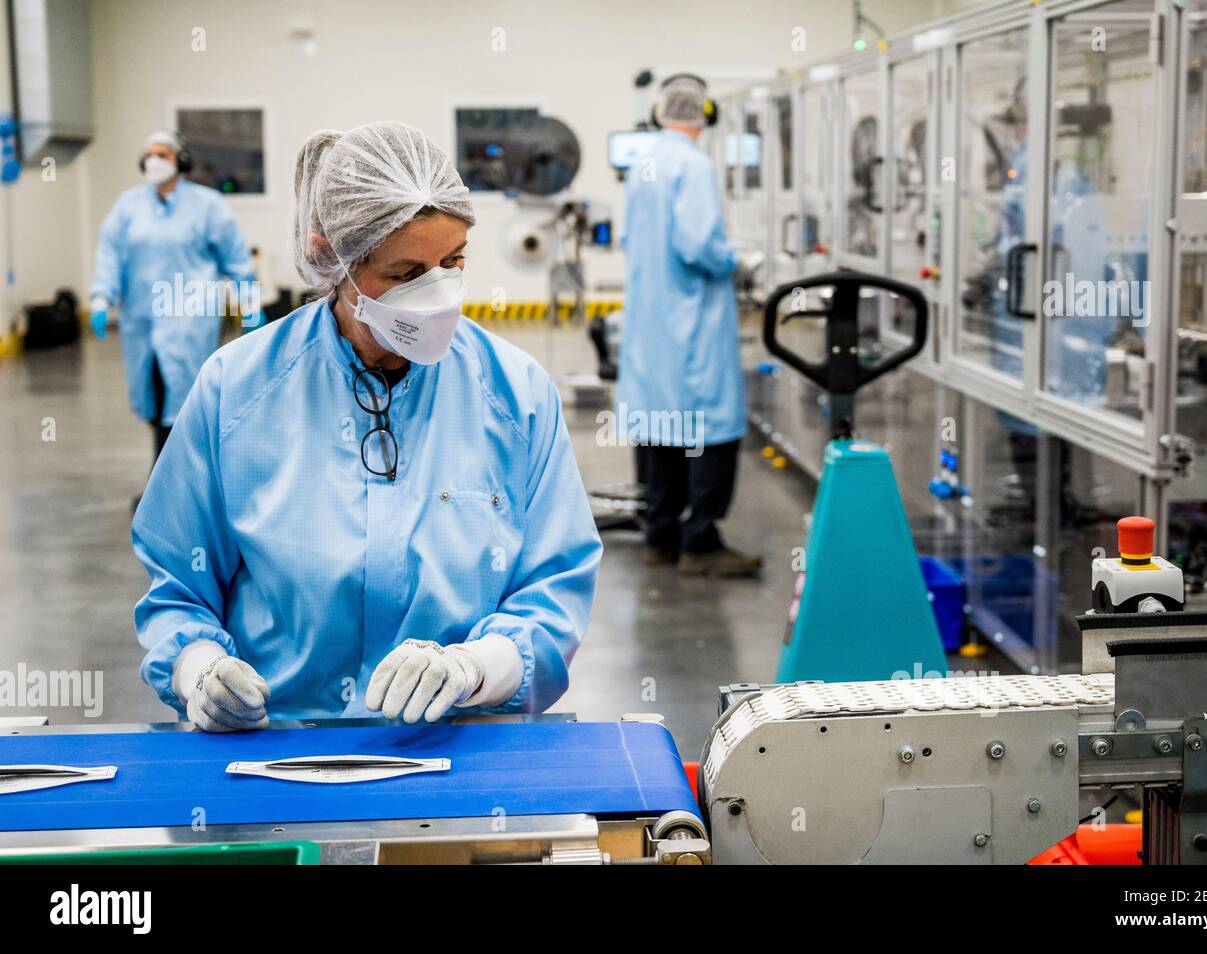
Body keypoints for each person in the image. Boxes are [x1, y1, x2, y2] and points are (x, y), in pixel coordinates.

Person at [132, 122, 601, 732]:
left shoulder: (517, 395)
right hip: (276, 750)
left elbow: (554, 584)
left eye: (452, 261)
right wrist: (199, 669)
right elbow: (178, 581)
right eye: (405, 273)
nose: (436, 293)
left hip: (460, 748)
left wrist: (477, 668)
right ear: (334, 259)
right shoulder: (238, 389)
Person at [617, 74, 761, 578]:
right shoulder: (694, 164)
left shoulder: (642, 163)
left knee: (660, 424)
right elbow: (699, 245)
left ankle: (659, 535)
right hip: (693, 317)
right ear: (707, 114)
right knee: (712, 425)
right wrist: (737, 264)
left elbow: (631, 236)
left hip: (650, 320)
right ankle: (700, 541)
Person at [89, 131, 262, 466]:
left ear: (180, 161)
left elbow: (236, 257)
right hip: (141, 321)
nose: (154, 161)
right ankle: (161, 487)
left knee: (189, 405)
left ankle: (187, 489)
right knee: (153, 400)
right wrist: (100, 298)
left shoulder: (207, 205)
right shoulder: (129, 205)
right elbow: (110, 252)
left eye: (163, 154)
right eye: (149, 154)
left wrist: (250, 303)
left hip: (190, 323)